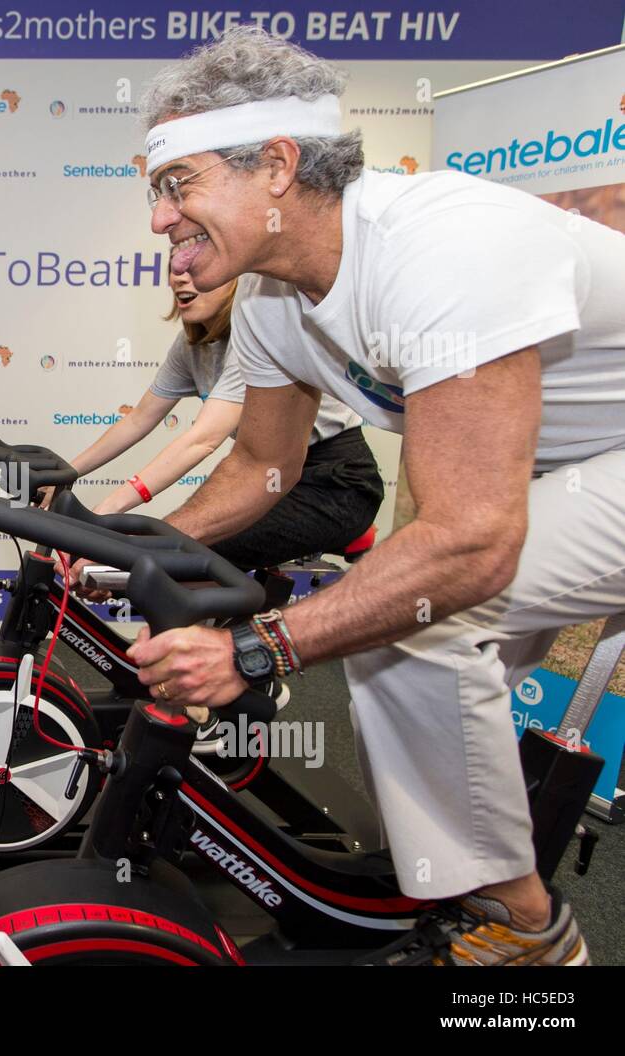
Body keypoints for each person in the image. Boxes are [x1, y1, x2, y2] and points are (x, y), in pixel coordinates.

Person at [124, 27, 624, 965]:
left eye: (176, 185)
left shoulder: (441, 246)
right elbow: (262, 472)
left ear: (276, 165)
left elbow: (471, 543)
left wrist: (254, 648)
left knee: (417, 614)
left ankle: (525, 932)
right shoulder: (275, 297)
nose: (160, 220)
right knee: (409, 656)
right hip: (554, 465)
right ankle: (460, 888)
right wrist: (133, 545)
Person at [62, 264, 381, 569]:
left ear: (236, 280)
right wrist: (67, 475)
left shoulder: (255, 340)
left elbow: (202, 440)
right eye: (174, 268)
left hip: (334, 483)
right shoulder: (191, 345)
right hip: (273, 479)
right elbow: (138, 419)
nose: (180, 278)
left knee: (185, 559)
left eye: (194, 268)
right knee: (175, 559)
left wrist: (106, 511)